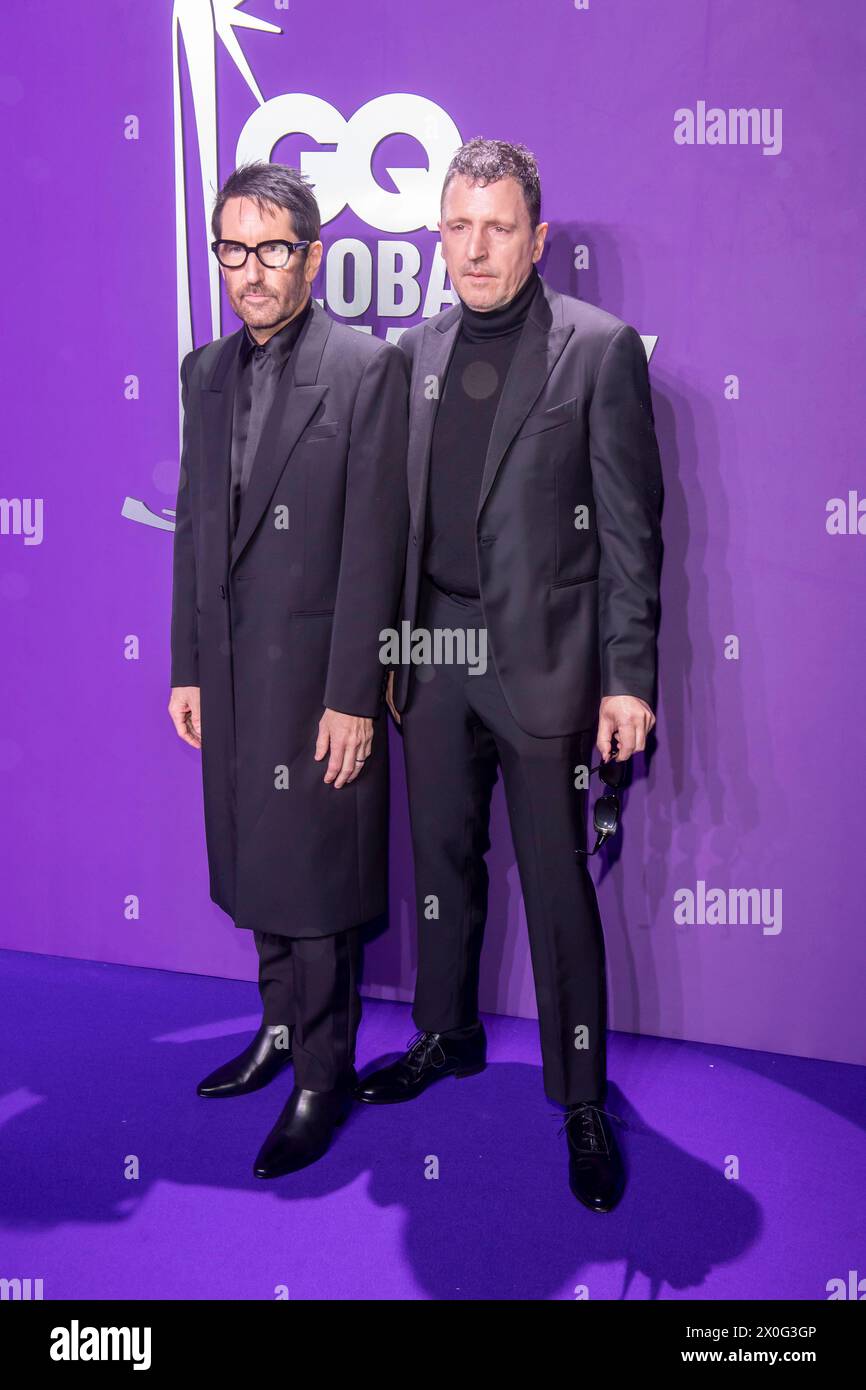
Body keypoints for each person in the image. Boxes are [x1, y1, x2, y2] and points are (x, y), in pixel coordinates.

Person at [357, 138, 663, 1213]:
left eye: (497, 227)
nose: (475, 248)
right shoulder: (419, 351)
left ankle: (579, 1095)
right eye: (457, 227)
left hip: (540, 661)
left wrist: (627, 677)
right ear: (437, 235)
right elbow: (399, 517)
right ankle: (445, 1033)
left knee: (554, 882)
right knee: (439, 860)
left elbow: (630, 535)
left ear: (536, 238)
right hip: (433, 653)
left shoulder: (597, 350)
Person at [168, 160, 409, 1178]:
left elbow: (376, 543)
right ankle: (274, 1030)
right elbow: (194, 532)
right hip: (228, 670)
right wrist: (186, 663)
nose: (250, 271)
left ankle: (321, 1071)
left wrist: (354, 692)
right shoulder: (201, 370)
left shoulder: (364, 368)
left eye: (271, 249)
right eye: (233, 249)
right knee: (253, 857)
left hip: (317, 674)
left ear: (309, 256)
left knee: (314, 880)